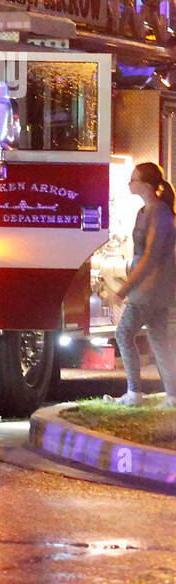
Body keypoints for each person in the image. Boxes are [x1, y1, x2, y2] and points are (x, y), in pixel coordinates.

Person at [107, 162, 176, 406]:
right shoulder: (146, 211)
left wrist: (125, 289)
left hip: (150, 288)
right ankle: (172, 395)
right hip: (149, 287)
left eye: (133, 179)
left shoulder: (159, 212)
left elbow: (150, 256)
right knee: (158, 339)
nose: (129, 183)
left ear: (146, 184)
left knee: (124, 332)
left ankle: (135, 393)